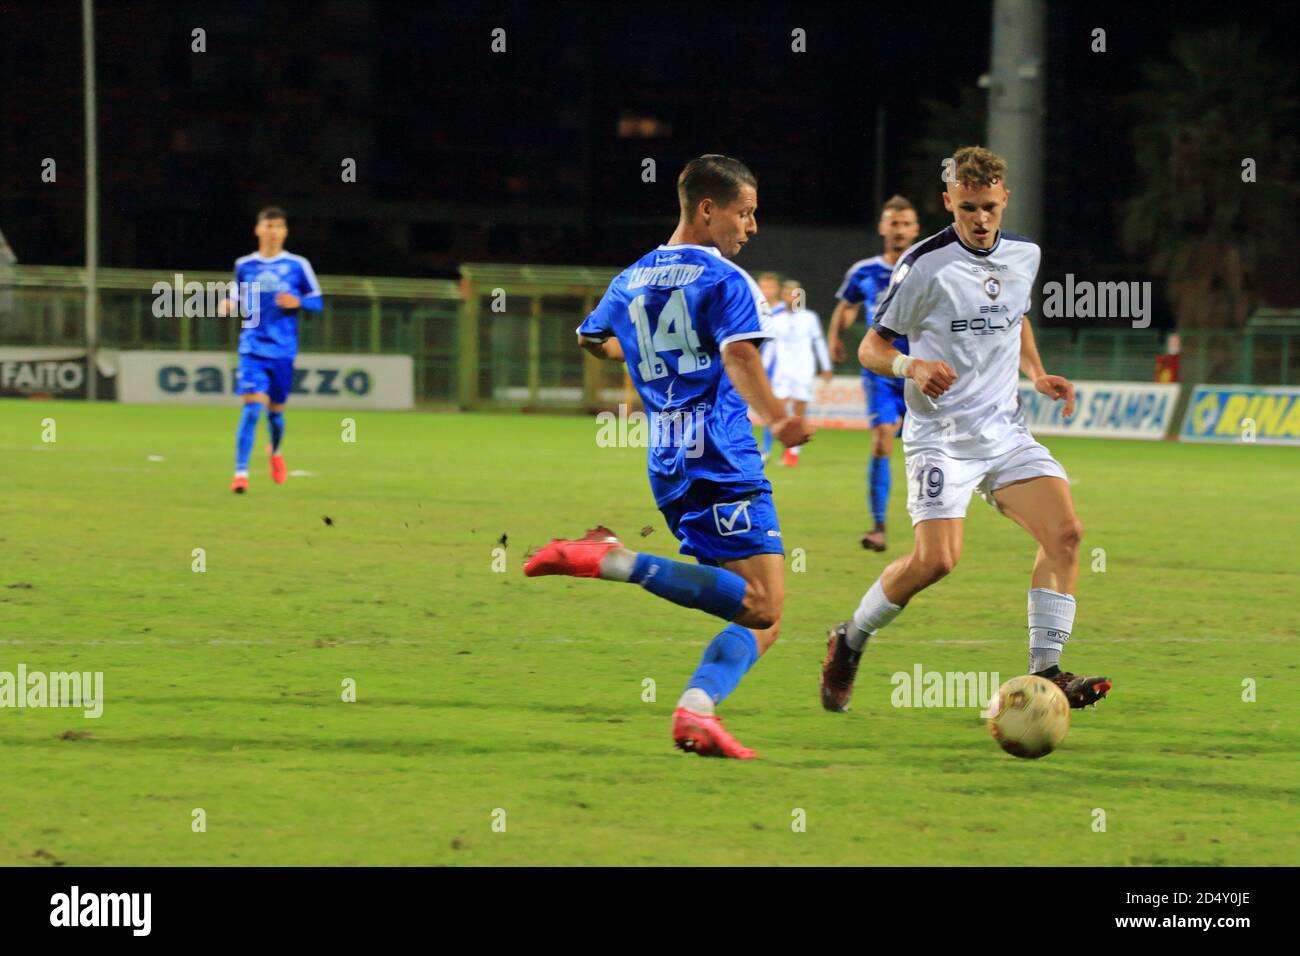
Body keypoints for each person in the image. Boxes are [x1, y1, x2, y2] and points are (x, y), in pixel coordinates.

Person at [524, 155, 812, 759]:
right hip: (721, 457)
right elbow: (741, 358)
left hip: (667, 460)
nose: (751, 228)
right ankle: (614, 561)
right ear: (708, 209)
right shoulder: (726, 281)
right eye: (745, 213)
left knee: (762, 616)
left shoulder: (633, 276)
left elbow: (589, 337)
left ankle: (696, 710)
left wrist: (636, 351)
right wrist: (781, 418)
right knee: (764, 604)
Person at [819, 147, 1111, 713]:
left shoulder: (1025, 254)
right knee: (937, 561)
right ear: (949, 201)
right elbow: (871, 346)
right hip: (940, 438)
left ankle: (1046, 673)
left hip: (1003, 431)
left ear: (1005, 197)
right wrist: (912, 366)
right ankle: (850, 637)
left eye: (989, 208)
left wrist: (1036, 371)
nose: (980, 220)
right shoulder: (924, 265)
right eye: (968, 207)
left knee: (1067, 533)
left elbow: (1016, 316)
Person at [826, 196, 920, 548]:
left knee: (927, 447)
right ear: (883, 228)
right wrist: (836, 337)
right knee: (882, 440)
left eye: (905, 223)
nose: (898, 230)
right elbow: (846, 307)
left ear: (915, 229)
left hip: (920, 373)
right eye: (892, 223)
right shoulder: (864, 271)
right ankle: (878, 527)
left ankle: (932, 524)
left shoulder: (925, 266)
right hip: (881, 371)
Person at [219, 207, 322, 494]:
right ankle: (240, 474)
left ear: (285, 232)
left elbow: (318, 302)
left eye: (278, 226)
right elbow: (235, 295)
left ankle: (274, 451)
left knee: (276, 414)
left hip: (283, 350)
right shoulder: (244, 265)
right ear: (258, 230)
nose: (273, 231)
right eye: (269, 225)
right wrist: (228, 304)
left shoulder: (297, 265)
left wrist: (299, 302)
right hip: (252, 346)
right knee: (252, 408)